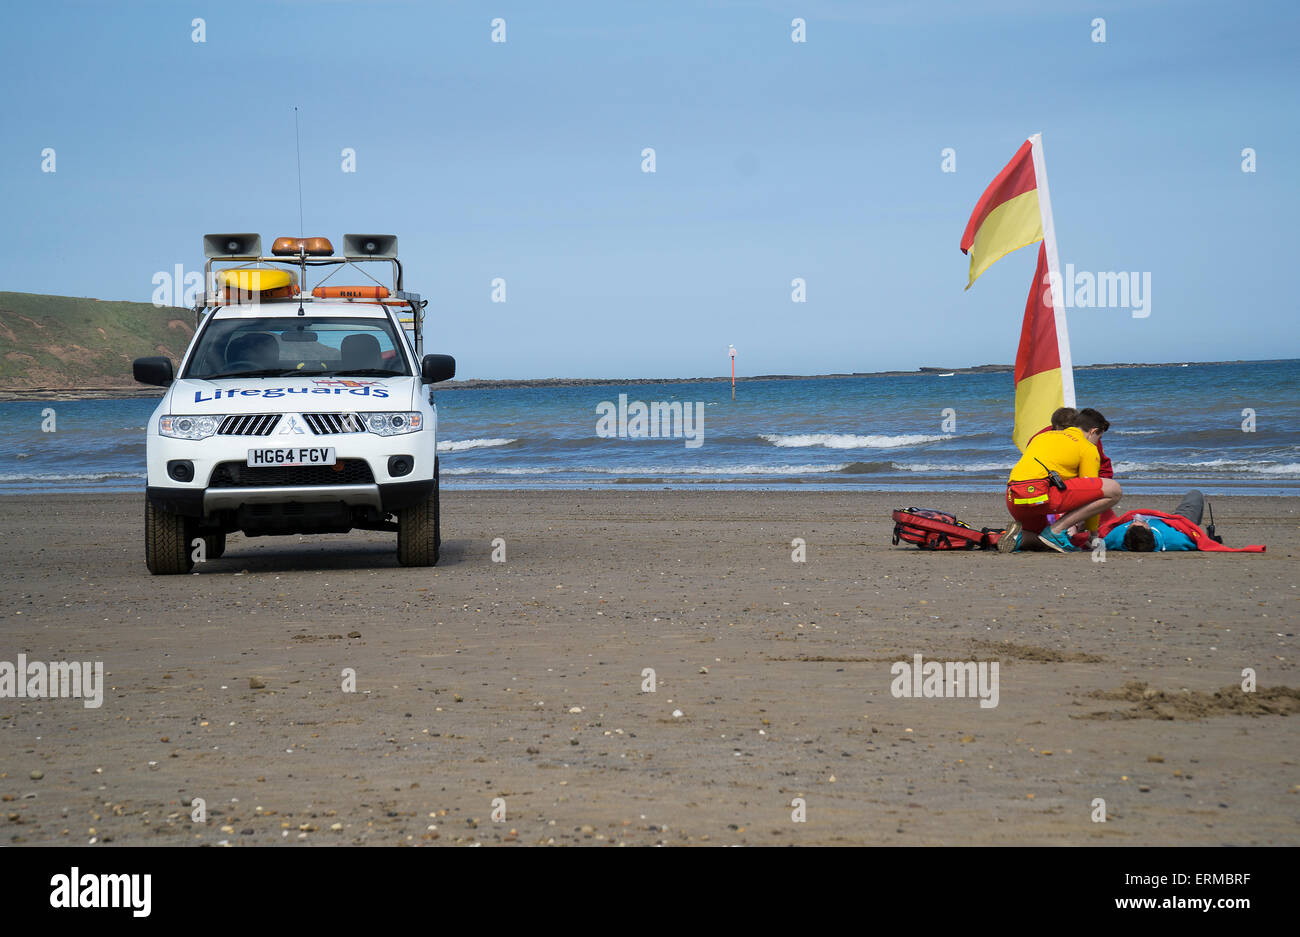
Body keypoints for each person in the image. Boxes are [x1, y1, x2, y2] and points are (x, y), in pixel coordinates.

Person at [1000, 409, 1122, 553]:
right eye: (1099, 438)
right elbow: (1093, 492)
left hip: (1014, 498)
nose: (1097, 442)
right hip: (1040, 495)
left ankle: (1019, 538)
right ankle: (1056, 531)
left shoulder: (1041, 436)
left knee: (1042, 540)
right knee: (1113, 490)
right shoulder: (1087, 447)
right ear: (1093, 431)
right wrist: (1093, 534)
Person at [1100, 491, 1266, 553]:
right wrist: (1211, 540)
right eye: (1140, 523)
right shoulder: (1175, 539)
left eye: (1132, 523)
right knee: (1194, 495)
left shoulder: (1115, 537)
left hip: (1164, 521)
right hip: (1177, 523)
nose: (1138, 520)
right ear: (1149, 529)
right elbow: (1200, 542)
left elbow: (1097, 541)